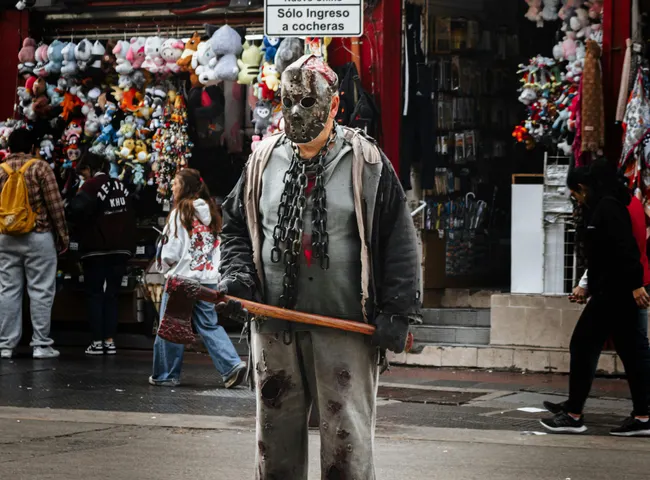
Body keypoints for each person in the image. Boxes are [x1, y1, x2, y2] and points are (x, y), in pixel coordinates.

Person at [219, 55, 421, 478]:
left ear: (334, 105)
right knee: (274, 441)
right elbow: (235, 224)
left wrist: (399, 309)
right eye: (287, 101)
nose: (295, 112)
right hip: (274, 327)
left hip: (344, 327)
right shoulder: (261, 161)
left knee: (346, 440)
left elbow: (400, 240)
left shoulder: (367, 163)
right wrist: (237, 275)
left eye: (307, 102)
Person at [541, 160, 650, 436]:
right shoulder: (619, 202)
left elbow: (624, 249)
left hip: (614, 292)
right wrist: (587, 285)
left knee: (584, 345)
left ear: (583, 187)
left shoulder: (607, 208)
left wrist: (635, 284)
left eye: (575, 193)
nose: (576, 199)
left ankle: (574, 414)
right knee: (633, 352)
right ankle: (643, 416)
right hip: (614, 290)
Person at [150, 168, 247, 389]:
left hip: (182, 280)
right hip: (208, 278)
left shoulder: (180, 212)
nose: (172, 187)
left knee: (172, 325)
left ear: (184, 187)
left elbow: (171, 252)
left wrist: (163, 265)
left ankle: (166, 375)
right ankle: (232, 365)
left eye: (175, 183)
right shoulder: (212, 212)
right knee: (209, 325)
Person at [0, 128, 68, 359]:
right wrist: (63, 236)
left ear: (9, 148)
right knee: (40, 291)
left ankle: (6, 345)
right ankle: (40, 345)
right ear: (32, 147)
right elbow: (55, 205)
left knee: (8, 290)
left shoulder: (1, 170)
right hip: (38, 236)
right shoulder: (40, 167)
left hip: (6, 237)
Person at [67, 153, 136, 355]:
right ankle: (110, 340)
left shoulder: (90, 186)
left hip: (96, 248)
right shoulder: (121, 186)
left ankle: (97, 341)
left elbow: (75, 211)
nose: (83, 176)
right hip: (121, 248)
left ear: (89, 168)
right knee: (112, 295)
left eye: (83, 172)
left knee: (95, 294)